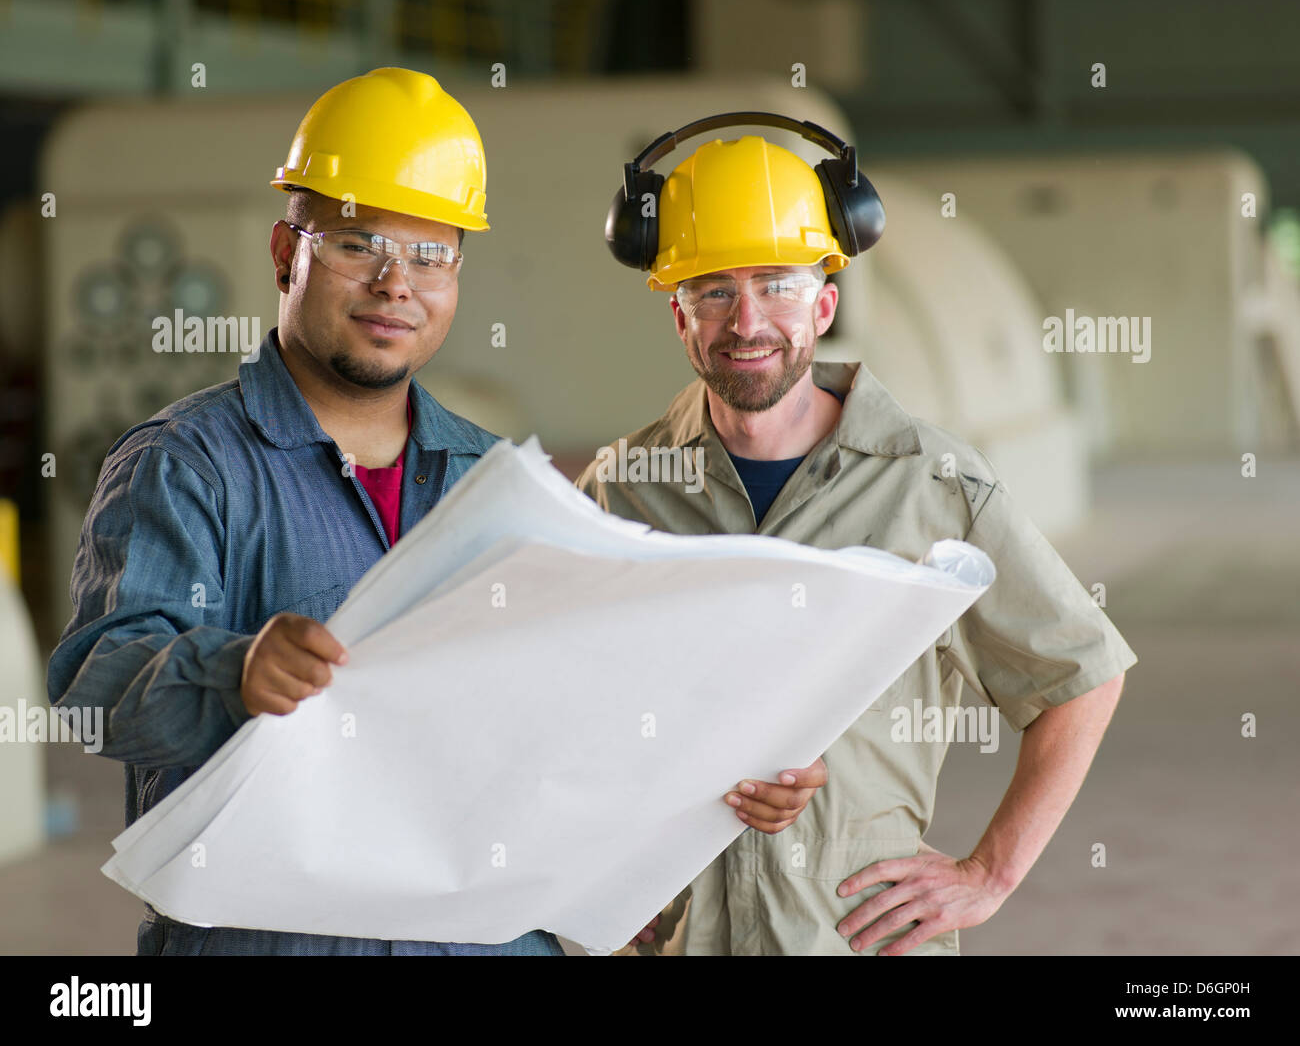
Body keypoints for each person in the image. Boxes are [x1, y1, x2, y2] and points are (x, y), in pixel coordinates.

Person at [579, 116, 1136, 956]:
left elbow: (1081, 678)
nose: (749, 319)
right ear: (679, 316)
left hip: (855, 941)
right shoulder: (624, 485)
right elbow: (571, 706)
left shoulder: (932, 483)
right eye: (714, 289)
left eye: (777, 283)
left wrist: (990, 872)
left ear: (825, 302)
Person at [46, 67, 567, 955]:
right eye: (358, 242)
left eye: (431, 253)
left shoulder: (495, 479)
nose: (396, 282)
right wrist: (235, 670)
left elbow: (558, 713)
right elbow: (96, 689)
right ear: (288, 253)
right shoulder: (187, 465)